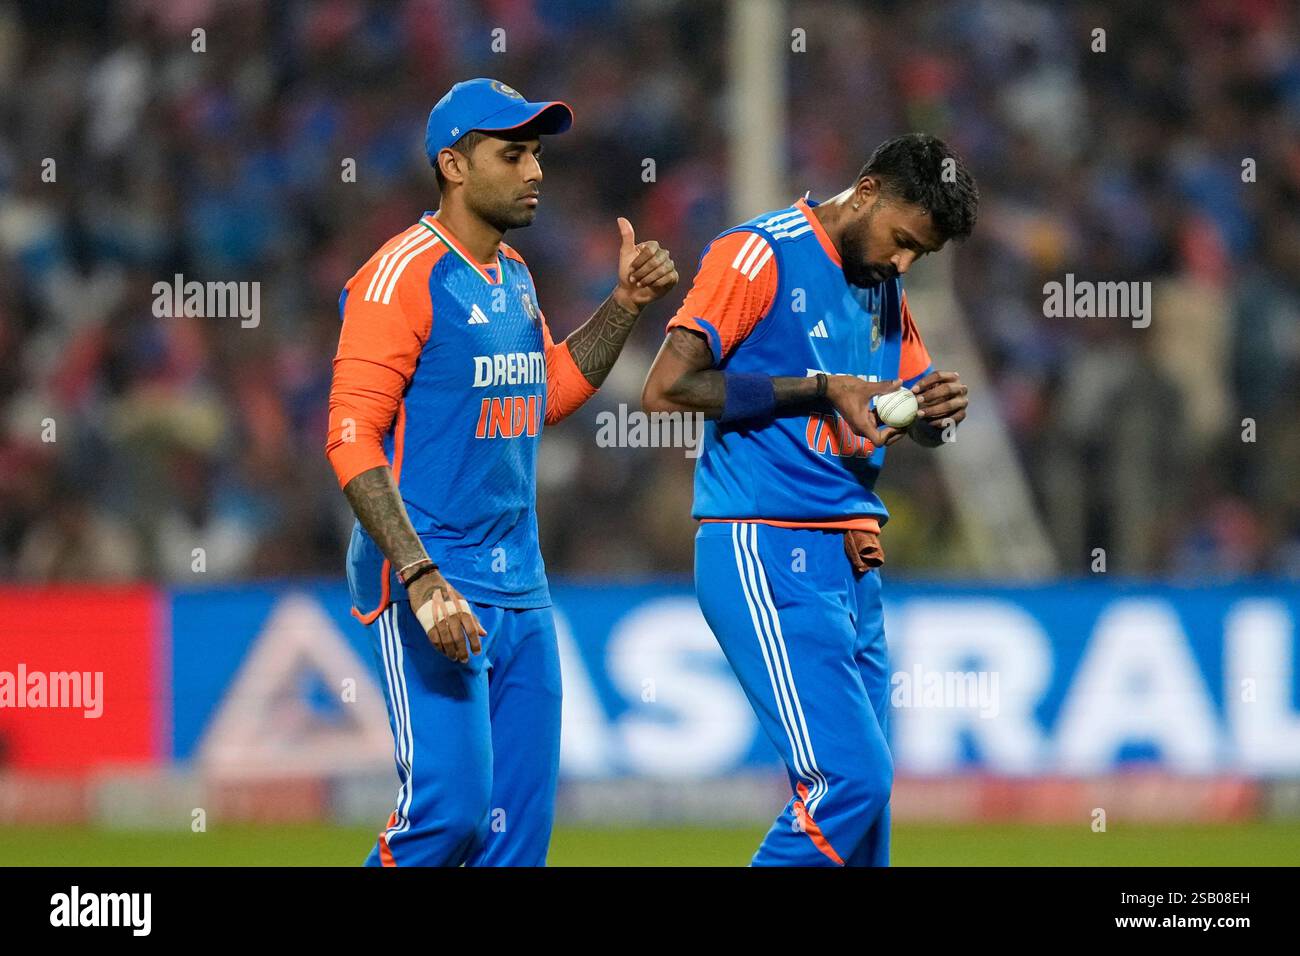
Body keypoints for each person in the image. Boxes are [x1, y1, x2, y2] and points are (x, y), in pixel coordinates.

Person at [325, 78, 678, 866]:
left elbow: (546, 391)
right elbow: (351, 440)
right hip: (433, 580)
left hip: (522, 584)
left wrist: (623, 303)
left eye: (538, 154)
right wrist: (419, 577)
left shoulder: (512, 275)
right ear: (453, 165)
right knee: (447, 817)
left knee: (514, 843)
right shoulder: (400, 277)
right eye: (512, 153)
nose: (535, 171)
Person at [642, 134, 976, 866]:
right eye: (903, 242)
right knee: (850, 780)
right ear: (866, 191)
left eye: (920, 255)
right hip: (765, 542)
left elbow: (898, 408)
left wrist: (932, 415)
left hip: (854, 559)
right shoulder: (758, 253)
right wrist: (821, 388)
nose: (903, 264)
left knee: (866, 820)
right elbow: (665, 389)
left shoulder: (883, 283)